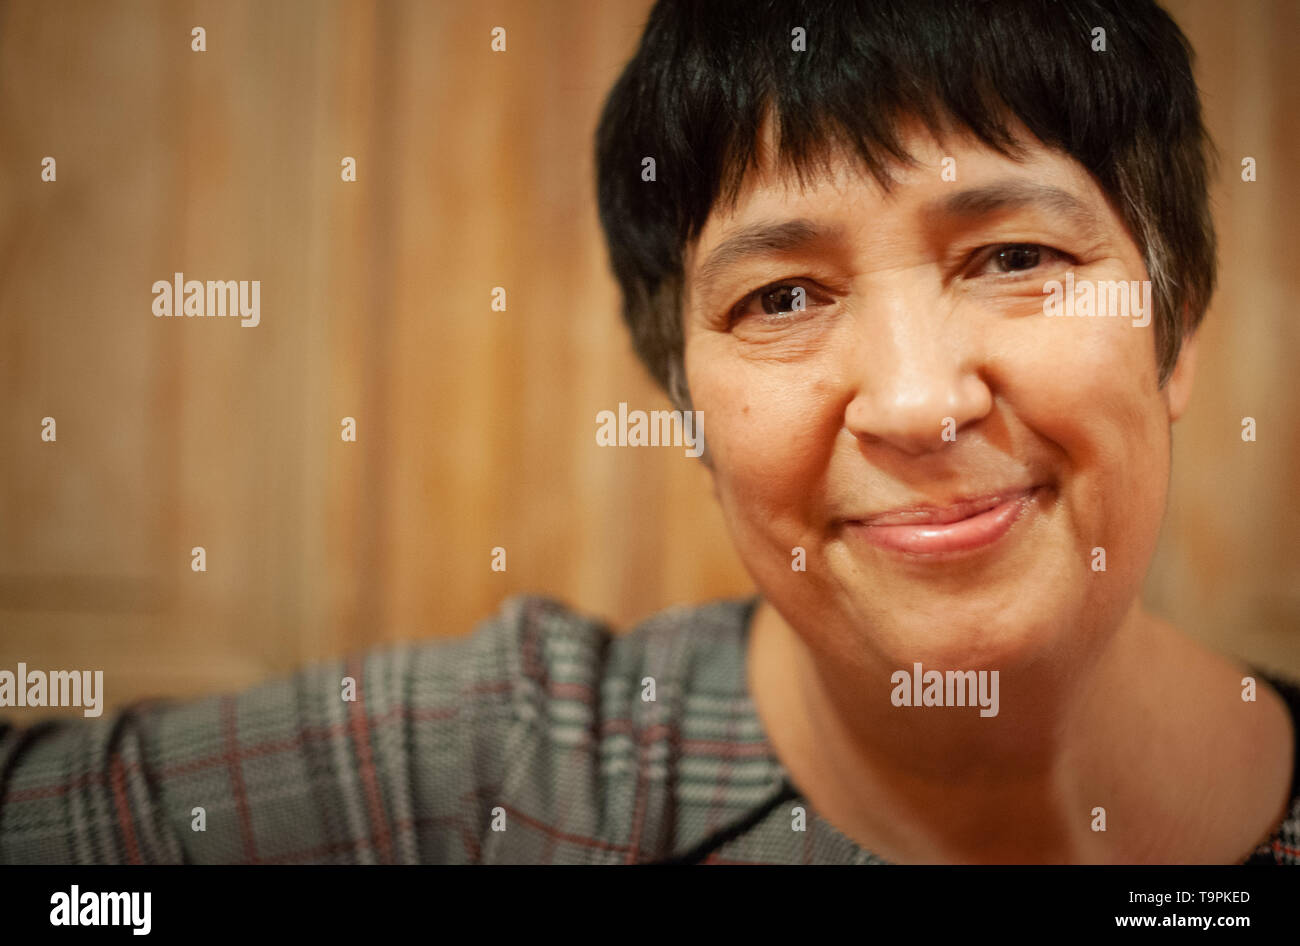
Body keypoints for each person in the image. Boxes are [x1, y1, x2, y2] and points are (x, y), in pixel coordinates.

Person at [1, 0, 1296, 864]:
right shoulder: (507, 772)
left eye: (1015, 256)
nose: (916, 403)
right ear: (686, 404)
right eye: (781, 297)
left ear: (1175, 324)